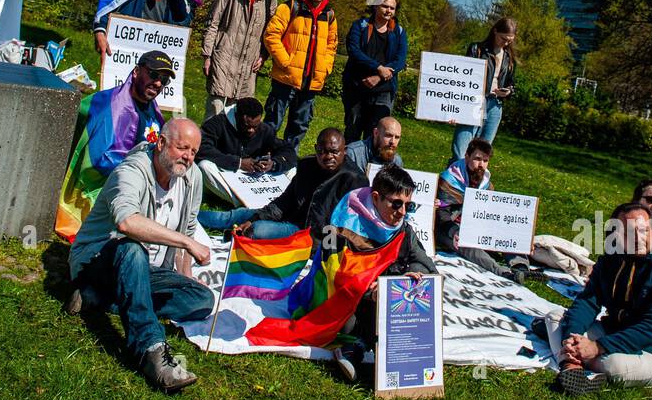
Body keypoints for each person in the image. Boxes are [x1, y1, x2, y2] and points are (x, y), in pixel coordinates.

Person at [66, 118, 214, 394]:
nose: (188, 157)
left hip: (146, 272)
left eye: (194, 152)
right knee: (131, 247)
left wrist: (185, 279)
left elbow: (188, 231)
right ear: (161, 143)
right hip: (99, 261)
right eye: (183, 148)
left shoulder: (192, 178)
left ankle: (95, 297)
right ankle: (151, 350)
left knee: (201, 299)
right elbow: (127, 223)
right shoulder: (132, 170)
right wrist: (187, 243)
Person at [551, 202, 652, 394]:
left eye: (644, 230)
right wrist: (573, 336)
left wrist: (597, 347)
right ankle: (572, 365)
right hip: (616, 332)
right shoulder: (610, 260)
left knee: (612, 364)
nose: (638, 238)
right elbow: (588, 301)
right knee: (555, 317)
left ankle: (574, 358)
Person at [322, 163, 437, 382]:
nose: (402, 212)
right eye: (396, 204)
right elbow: (335, 274)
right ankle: (358, 344)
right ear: (375, 198)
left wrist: (401, 283)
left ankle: (363, 348)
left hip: (385, 295)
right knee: (350, 320)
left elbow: (424, 262)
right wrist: (372, 291)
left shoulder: (403, 229)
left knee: (414, 296)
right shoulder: (346, 227)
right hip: (346, 298)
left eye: (407, 205)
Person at [54, 51, 172, 242]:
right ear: (136, 72)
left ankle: (229, 218)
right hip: (108, 188)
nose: (158, 83)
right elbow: (98, 162)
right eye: (153, 75)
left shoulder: (152, 110)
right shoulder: (111, 107)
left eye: (164, 80)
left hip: (142, 184)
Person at [201, 128, 363, 239]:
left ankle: (238, 234)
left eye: (335, 152)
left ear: (345, 151)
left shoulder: (354, 179)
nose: (328, 157)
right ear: (316, 149)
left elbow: (350, 227)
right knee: (239, 215)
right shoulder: (307, 165)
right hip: (289, 215)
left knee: (256, 230)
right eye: (323, 151)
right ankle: (189, 217)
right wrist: (256, 217)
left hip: (306, 233)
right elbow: (285, 200)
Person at [434, 138, 526, 283]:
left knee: (507, 228)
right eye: (477, 159)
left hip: (474, 224)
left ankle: (520, 265)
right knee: (465, 244)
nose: (481, 165)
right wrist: (454, 231)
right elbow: (441, 213)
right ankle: (502, 272)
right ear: (467, 157)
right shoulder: (449, 179)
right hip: (447, 227)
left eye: (485, 160)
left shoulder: (486, 183)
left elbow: (491, 213)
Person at [201, 0, 278, 120]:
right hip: (224, 55)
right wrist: (207, 55)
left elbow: (271, 32)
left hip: (248, 64)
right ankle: (206, 145)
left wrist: (263, 56)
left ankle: (228, 147)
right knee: (215, 108)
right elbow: (212, 21)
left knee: (236, 114)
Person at [262, 0, 337, 150]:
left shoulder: (329, 16)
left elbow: (331, 45)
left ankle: (288, 159)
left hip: (311, 83)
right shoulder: (290, 7)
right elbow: (271, 35)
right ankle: (261, 155)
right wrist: (285, 62)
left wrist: (325, 68)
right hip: (286, 78)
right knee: (273, 121)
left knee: (299, 125)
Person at [194, 97, 296, 209]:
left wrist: (274, 164)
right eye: (246, 126)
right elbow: (201, 149)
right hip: (226, 172)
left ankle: (285, 199)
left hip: (252, 177)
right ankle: (244, 203)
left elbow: (288, 150)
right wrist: (238, 163)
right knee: (204, 166)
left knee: (291, 169)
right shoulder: (217, 124)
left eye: (255, 127)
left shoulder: (264, 129)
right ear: (237, 116)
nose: (251, 130)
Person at [341, 0, 408, 142]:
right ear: (376, 6)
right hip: (358, 86)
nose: (388, 11)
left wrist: (380, 76)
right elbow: (354, 51)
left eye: (392, 8)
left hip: (384, 90)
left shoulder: (399, 32)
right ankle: (350, 162)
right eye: (385, 6)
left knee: (377, 133)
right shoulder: (360, 26)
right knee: (353, 128)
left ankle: (372, 164)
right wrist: (378, 67)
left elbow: (400, 59)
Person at [451, 17, 517, 162]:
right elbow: (464, 75)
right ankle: (452, 180)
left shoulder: (509, 57)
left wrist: (508, 91)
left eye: (510, 40)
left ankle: (473, 181)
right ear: (495, 31)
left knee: (483, 152)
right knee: (461, 149)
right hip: (474, 101)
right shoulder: (477, 49)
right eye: (503, 38)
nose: (506, 43)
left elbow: (512, 82)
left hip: (495, 105)